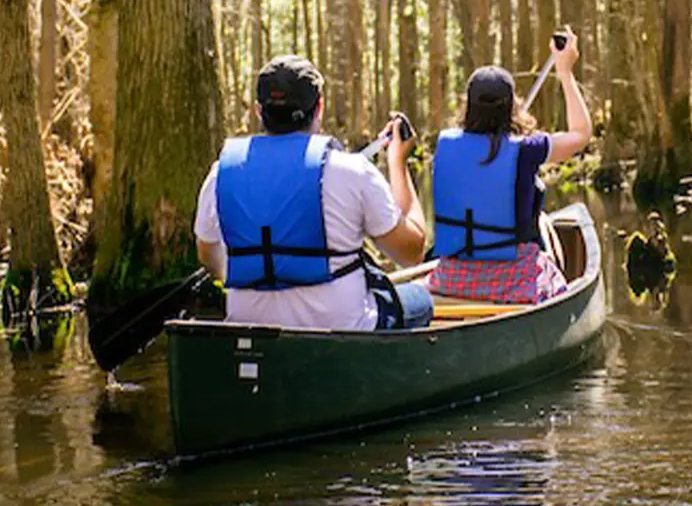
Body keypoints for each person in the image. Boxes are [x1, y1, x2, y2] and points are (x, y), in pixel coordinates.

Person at [193, 55, 433, 330]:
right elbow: (411, 253)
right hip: (344, 330)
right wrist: (397, 163)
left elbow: (208, 257)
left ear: (259, 111)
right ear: (318, 107)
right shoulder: (353, 171)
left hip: (250, 327)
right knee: (420, 300)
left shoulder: (220, 174)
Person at [427, 27, 592, 304]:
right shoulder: (527, 149)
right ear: (511, 107)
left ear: (468, 107)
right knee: (543, 230)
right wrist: (565, 71)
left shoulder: (444, 146)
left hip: (452, 279)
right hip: (514, 281)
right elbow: (581, 133)